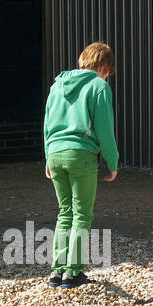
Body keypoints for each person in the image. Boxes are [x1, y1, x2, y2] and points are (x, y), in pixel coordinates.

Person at [42, 41, 120, 289]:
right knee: (82, 213)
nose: (108, 76)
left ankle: (57, 270)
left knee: (64, 212)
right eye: (108, 71)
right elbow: (104, 128)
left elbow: (47, 123)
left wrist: (47, 155)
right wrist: (113, 161)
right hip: (80, 153)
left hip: (54, 152)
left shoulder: (57, 86)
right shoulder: (99, 86)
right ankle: (73, 273)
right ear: (104, 66)